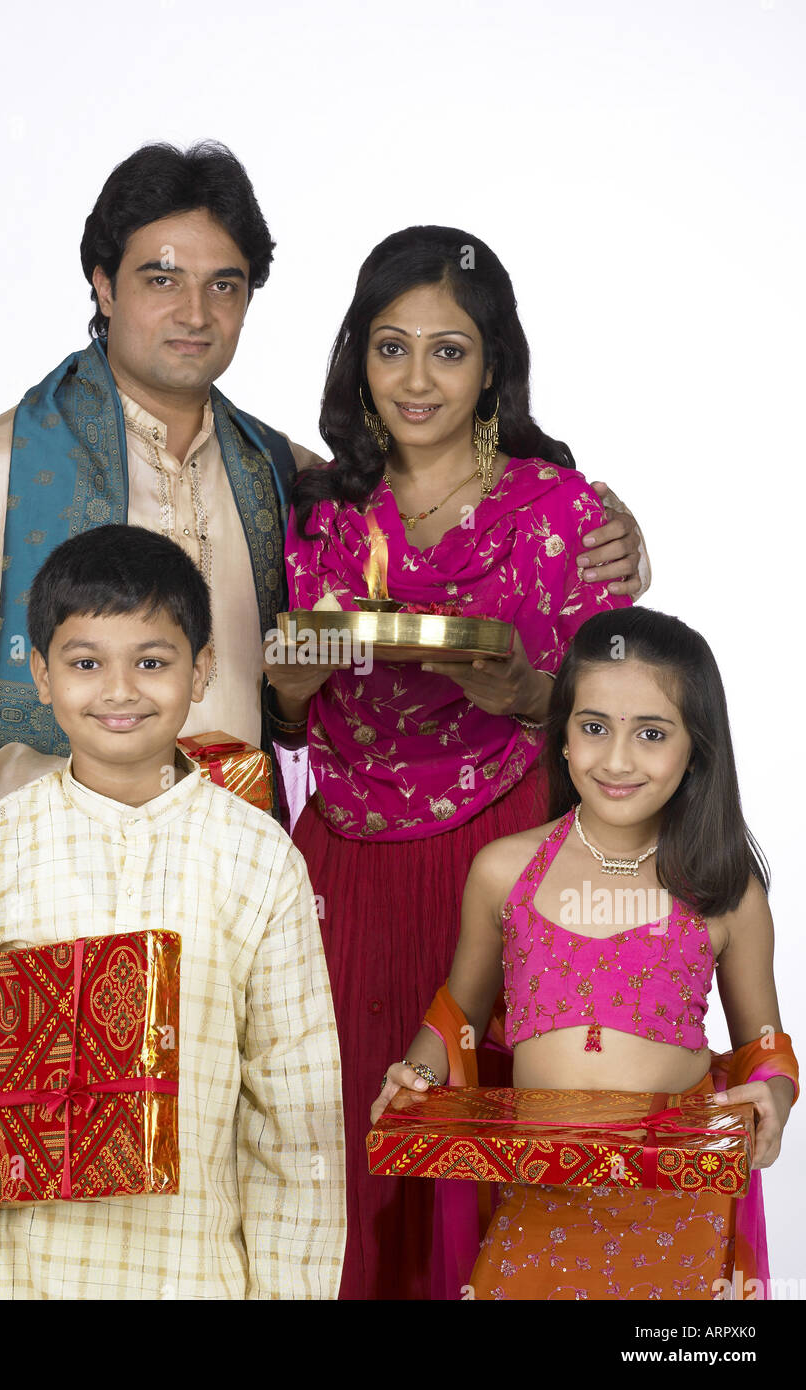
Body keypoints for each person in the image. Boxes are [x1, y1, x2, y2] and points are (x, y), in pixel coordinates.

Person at [265, 225, 644, 1299]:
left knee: (491, 1139)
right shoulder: (322, 509)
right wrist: (288, 683)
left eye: (449, 350)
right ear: (359, 357)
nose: (416, 379)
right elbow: (287, 718)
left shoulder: (560, 511)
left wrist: (525, 692)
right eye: (391, 347)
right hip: (343, 861)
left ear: (492, 365)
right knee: (344, 1136)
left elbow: (619, 723)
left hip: (507, 852)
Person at [0, 525, 346, 1299]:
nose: (119, 691)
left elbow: (293, 1100)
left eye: (152, 662)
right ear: (41, 675)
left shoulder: (258, 858)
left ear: (202, 669)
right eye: (85, 663)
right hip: (10, 1270)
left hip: (190, 1273)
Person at [0, 141, 324, 834]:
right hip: (51, 868)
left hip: (239, 868)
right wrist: (10, 810)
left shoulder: (287, 476)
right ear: (105, 286)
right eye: (162, 280)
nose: (195, 314)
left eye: (223, 285)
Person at [375, 606, 799, 1299]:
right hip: (539, 1194)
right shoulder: (504, 872)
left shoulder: (724, 890)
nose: (617, 760)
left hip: (676, 1207)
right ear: (563, 736)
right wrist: (414, 1077)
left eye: (651, 734)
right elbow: (457, 1015)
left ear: (696, 747)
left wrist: (774, 1100)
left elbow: (765, 1047)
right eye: (594, 727)